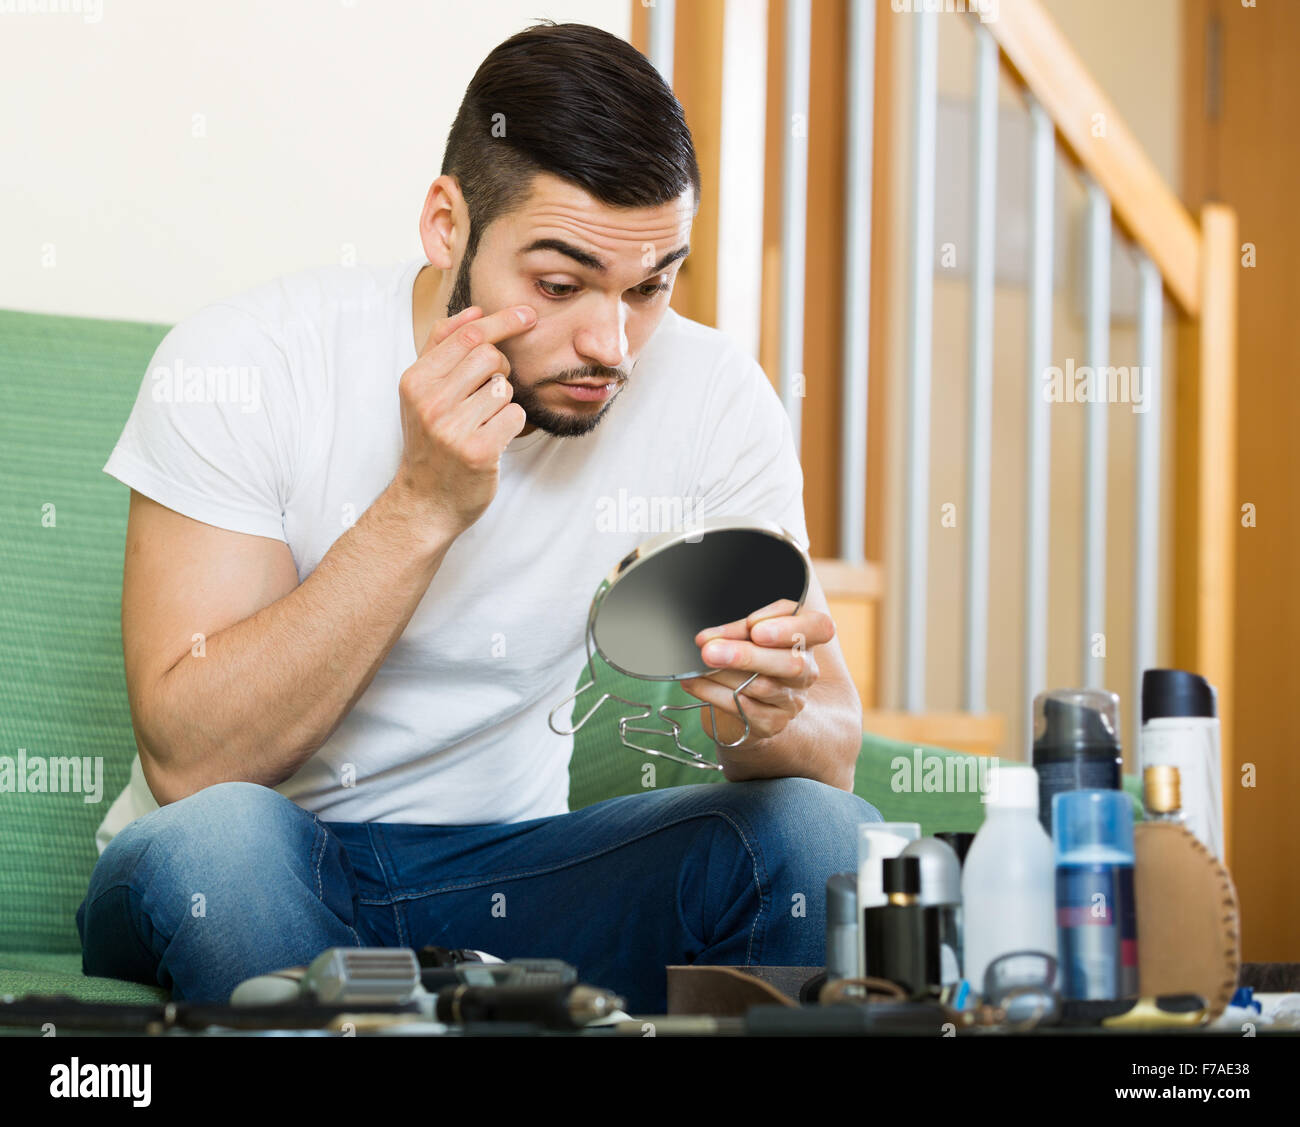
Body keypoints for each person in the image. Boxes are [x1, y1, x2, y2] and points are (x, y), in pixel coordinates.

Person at [76, 19, 880, 1014]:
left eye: (649, 286)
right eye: (559, 284)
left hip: (512, 875)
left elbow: (830, 749)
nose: (612, 343)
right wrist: (420, 507)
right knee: (220, 844)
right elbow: (194, 763)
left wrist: (764, 716)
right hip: (249, 863)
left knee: (822, 835)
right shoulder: (247, 362)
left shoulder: (710, 395)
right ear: (446, 224)